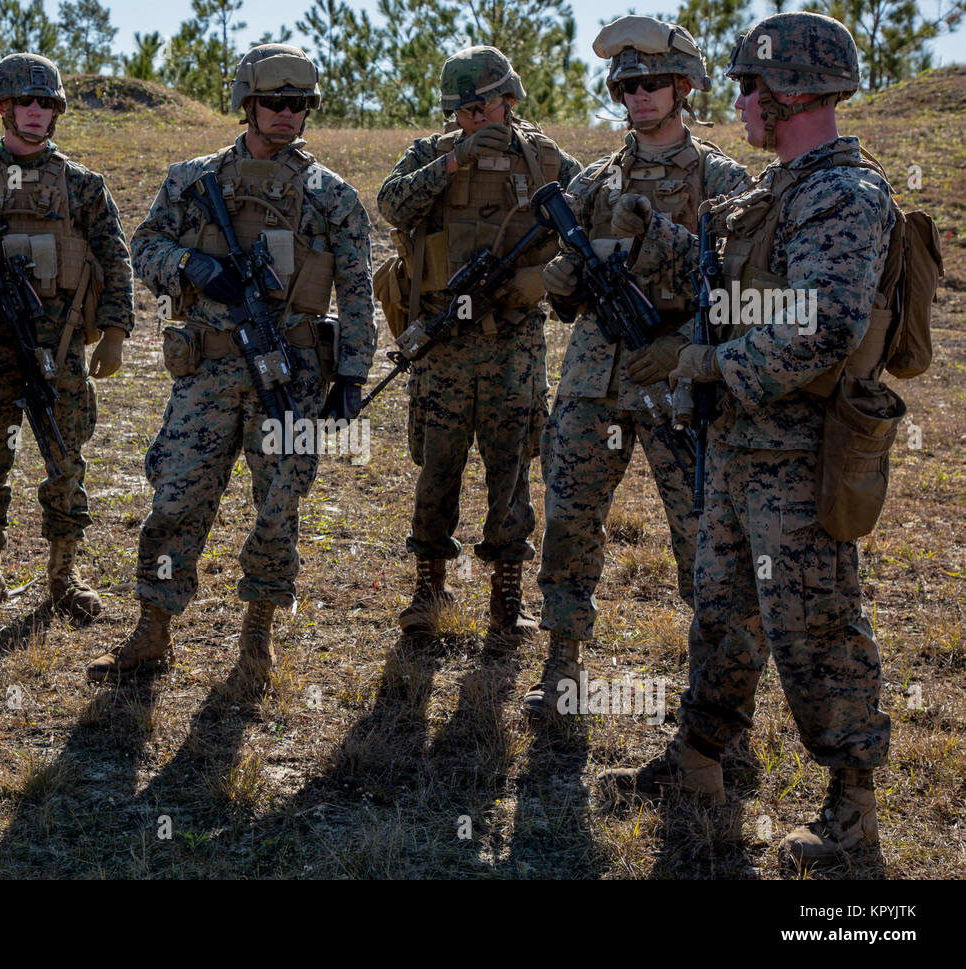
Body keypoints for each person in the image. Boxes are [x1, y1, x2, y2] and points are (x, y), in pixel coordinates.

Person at [602, 12, 896, 868]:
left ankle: (853, 816)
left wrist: (695, 362)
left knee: (816, 625)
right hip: (740, 444)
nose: (736, 103)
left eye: (746, 87)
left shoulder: (844, 192)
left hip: (800, 454)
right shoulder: (778, 192)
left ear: (790, 91)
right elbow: (736, 295)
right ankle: (698, 760)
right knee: (722, 613)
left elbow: (818, 326)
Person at [85, 44, 375, 682]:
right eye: (274, 102)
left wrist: (352, 374)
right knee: (176, 501)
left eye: (299, 105)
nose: (286, 115)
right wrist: (193, 266)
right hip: (208, 373)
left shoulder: (332, 196)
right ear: (247, 102)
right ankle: (152, 630)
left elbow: (358, 289)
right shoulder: (194, 181)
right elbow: (145, 246)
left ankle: (256, 639)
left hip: (292, 378)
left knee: (279, 506)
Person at [524, 17, 750, 720]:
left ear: (683, 86)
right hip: (594, 376)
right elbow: (557, 286)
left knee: (704, 537)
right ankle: (561, 668)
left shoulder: (722, 178)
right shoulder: (594, 180)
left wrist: (680, 335)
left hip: (677, 380)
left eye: (653, 83)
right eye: (627, 85)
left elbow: (738, 292)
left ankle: (712, 703)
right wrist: (560, 277)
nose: (640, 96)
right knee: (568, 521)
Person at [376, 46, 580, 643]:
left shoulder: (544, 158)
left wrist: (535, 282)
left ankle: (506, 595)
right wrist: (453, 162)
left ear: (509, 100)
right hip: (442, 341)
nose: (474, 120)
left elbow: (587, 227)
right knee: (436, 468)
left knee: (511, 468)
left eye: (484, 107)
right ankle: (428, 587)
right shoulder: (431, 154)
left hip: (513, 343)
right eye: (462, 112)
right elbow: (390, 204)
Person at [0, 53, 134, 623]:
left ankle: (64, 576)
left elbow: (116, 259)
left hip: (62, 346)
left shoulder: (83, 185)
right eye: (25, 101)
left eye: (47, 103)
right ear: (2, 107)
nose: (37, 112)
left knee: (65, 461)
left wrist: (115, 331)